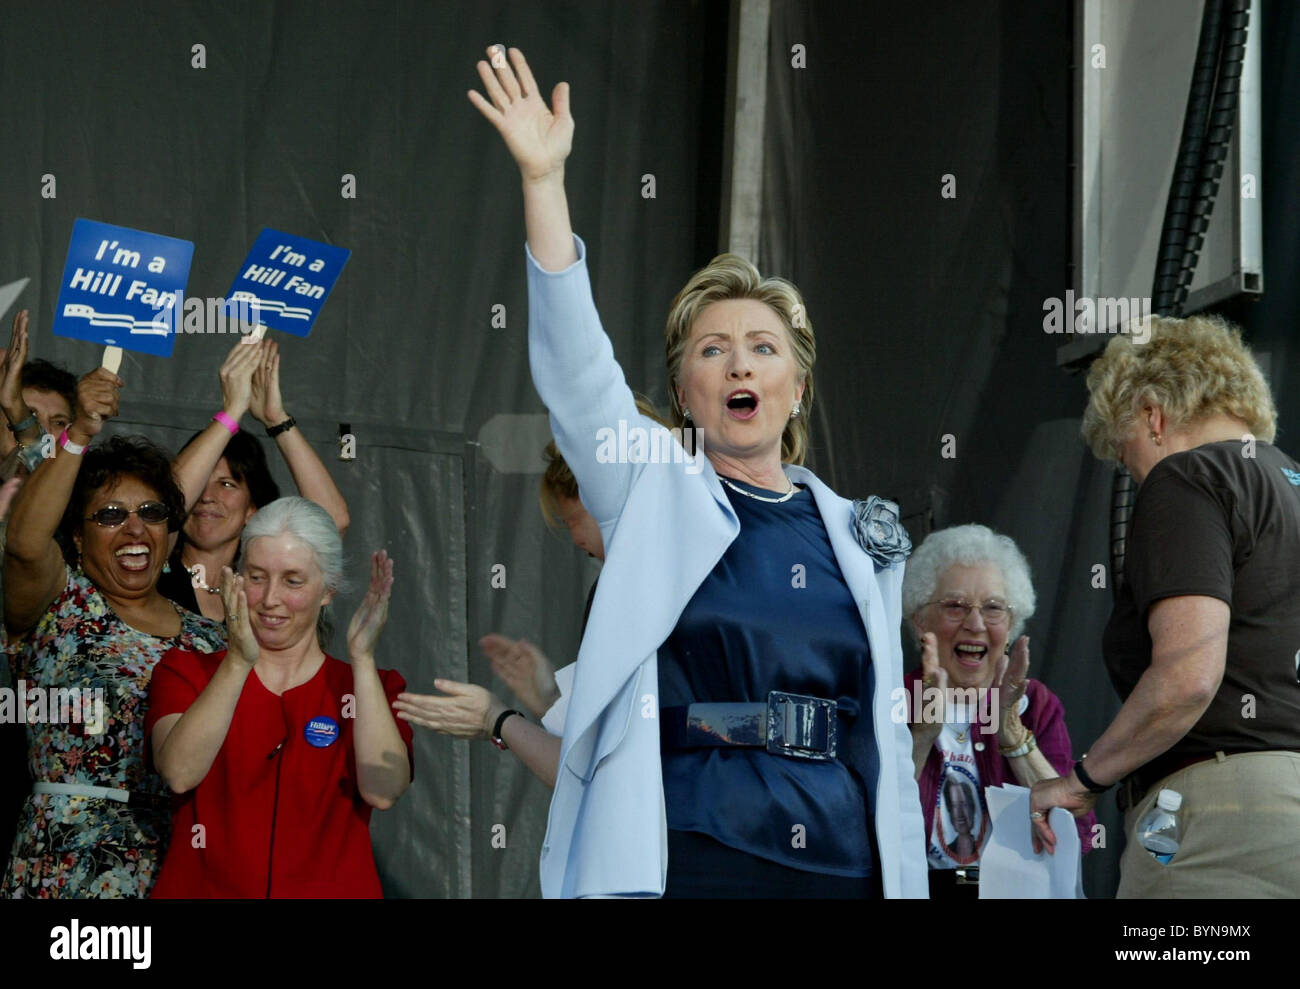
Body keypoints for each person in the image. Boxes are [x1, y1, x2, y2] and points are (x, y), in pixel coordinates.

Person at [469, 45, 926, 898]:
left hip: (843, 857)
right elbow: (577, 372)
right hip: (698, 846)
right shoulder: (652, 485)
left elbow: (887, 736)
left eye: (763, 349)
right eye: (714, 351)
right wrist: (543, 179)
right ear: (684, 391)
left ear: (796, 386)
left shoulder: (856, 531)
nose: (740, 366)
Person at [1030, 313, 1300, 897]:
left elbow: (1187, 677)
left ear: (1153, 415)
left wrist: (1080, 781)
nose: (1133, 476)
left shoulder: (1189, 475)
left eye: (1127, 459)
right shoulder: (1289, 483)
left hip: (1220, 826)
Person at [2, 363, 224, 897]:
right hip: (64, 870)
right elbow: (26, 543)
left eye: (151, 512)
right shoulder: (60, 601)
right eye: (109, 515)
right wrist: (78, 431)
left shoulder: (212, 640)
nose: (134, 528)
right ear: (76, 537)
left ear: (171, 534)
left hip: (176, 870)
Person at [146, 497, 412, 898]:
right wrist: (237, 663)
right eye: (256, 577)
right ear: (235, 580)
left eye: (293, 581)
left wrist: (362, 659)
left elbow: (383, 790)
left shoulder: (373, 686)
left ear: (328, 590)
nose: (270, 599)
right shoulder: (186, 671)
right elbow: (179, 773)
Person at [901, 524, 1094, 897]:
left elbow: (1078, 835)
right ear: (920, 620)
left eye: (993, 608)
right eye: (955, 606)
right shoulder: (892, 698)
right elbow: (868, 828)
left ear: (1010, 624)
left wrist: (1011, 733)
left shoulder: (1035, 705)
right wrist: (922, 736)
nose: (975, 624)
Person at [162, 337, 350, 622]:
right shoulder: (150, 568)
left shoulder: (260, 590)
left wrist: (277, 420)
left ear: (254, 509)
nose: (207, 496)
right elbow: (162, 507)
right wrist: (231, 413)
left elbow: (332, 521)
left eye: (227, 484)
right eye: (201, 482)